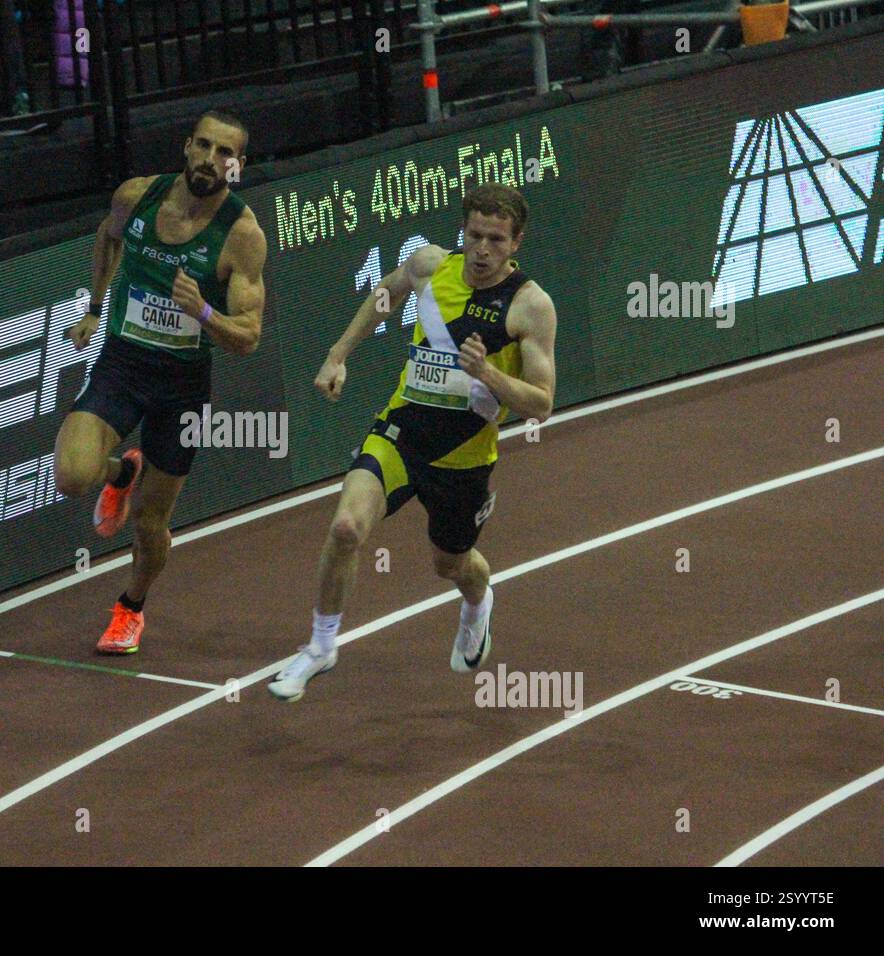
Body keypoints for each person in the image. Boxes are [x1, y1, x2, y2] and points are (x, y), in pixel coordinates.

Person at [268, 183, 558, 701]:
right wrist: (338, 354)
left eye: (496, 239)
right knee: (345, 527)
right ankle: (320, 647)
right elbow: (386, 294)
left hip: (463, 462)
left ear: (517, 242)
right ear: (462, 233)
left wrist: (489, 375)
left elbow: (541, 402)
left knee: (450, 564)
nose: (483, 249)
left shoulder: (530, 306)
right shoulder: (430, 265)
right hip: (400, 433)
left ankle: (477, 604)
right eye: (474, 236)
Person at [56, 110, 267, 655]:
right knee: (73, 476)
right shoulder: (137, 196)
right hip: (123, 363)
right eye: (203, 146)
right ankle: (119, 471)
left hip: (182, 386)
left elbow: (248, 337)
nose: (210, 160)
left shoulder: (241, 236)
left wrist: (203, 315)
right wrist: (96, 306)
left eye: (225, 154)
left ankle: (130, 607)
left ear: (238, 167)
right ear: (186, 146)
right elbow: (108, 237)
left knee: (151, 523)